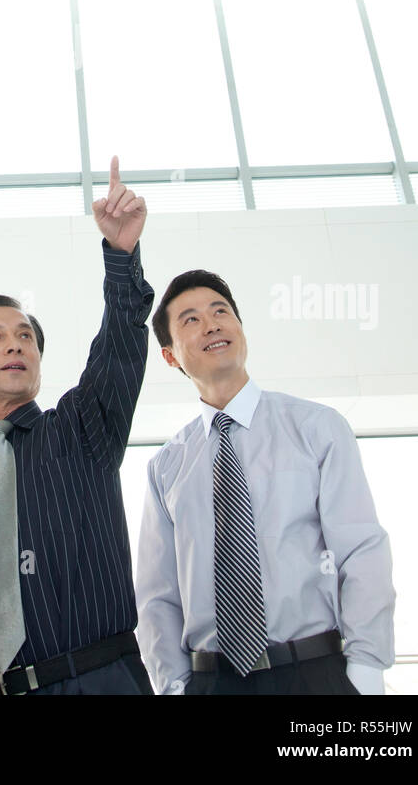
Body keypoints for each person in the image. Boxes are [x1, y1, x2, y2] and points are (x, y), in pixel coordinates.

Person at [0, 156, 156, 695]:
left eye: (26, 336)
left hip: (103, 679)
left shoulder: (81, 427)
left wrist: (120, 255)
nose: (15, 344)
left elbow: (117, 351)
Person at [135, 269, 395, 697]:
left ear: (240, 328)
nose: (212, 323)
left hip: (314, 672)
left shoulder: (317, 428)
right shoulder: (166, 467)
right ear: (170, 356)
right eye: (191, 319)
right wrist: (174, 686)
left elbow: (361, 550)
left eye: (221, 311)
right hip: (210, 681)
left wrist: (366, 669)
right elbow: (156, 594)